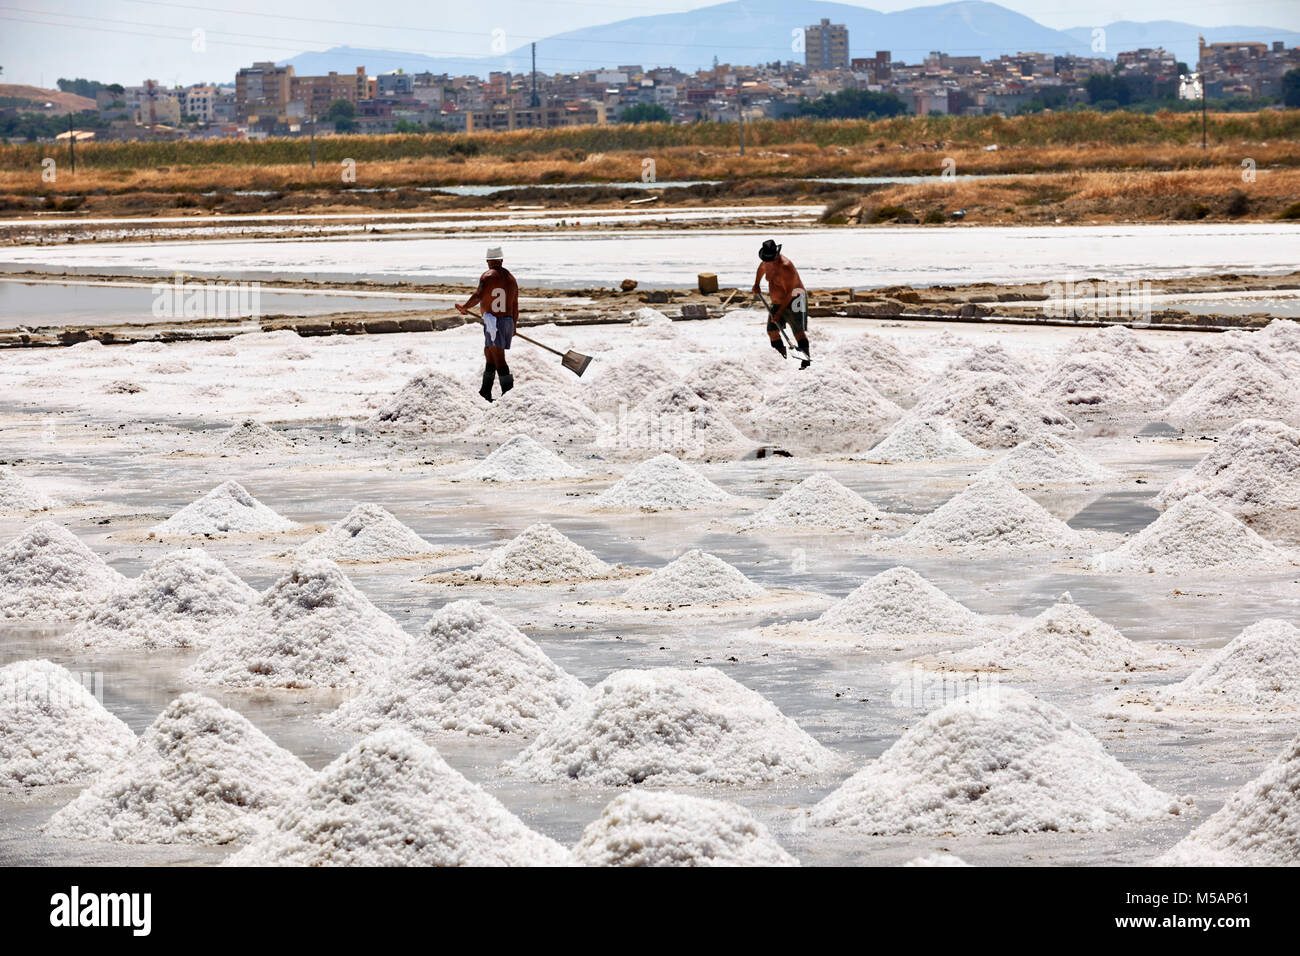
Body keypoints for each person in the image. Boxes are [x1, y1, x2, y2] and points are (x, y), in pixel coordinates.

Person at [456, 245, 519, 401]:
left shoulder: (488, 276)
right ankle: (485, 392)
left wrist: (465, 307)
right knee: (489, 354)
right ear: (501, 260)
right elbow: (515, 304)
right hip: (508, 321)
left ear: (487, 261)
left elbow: (478, 295)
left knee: (498, 357)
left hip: (494, 323)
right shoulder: (511, 278)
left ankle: (509, 395)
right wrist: (514, 325)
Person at [751, 239, 811, 369]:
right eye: (765, 259)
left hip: (795, 299)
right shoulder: (766, 262)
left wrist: (779, 313)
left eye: (770, 259)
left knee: (798, 331)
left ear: (776, 254)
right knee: (772, 331)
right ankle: (780, 359)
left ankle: (806, 363)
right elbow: (761, 269)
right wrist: (756, 284)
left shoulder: (786, 267)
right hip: (778, 302)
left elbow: (790, 291)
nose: (767, 262)